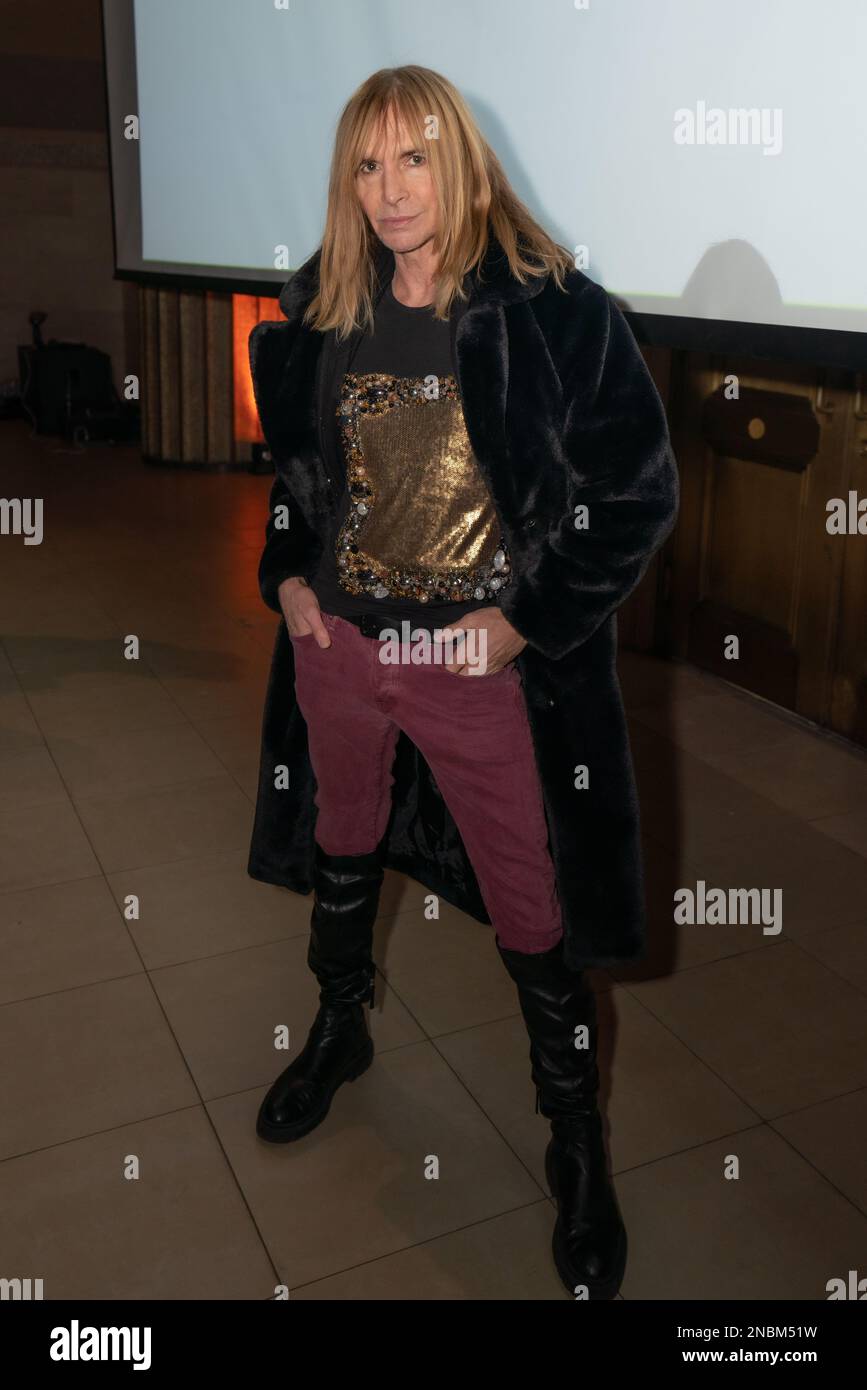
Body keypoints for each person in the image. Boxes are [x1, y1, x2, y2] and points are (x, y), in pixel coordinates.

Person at [246, 64, 679, 1300]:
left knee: (536, 911)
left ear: (459, 160)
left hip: (476, 668)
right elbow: (299, 483)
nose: (389, 191)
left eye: (413, 159)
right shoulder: (326, 311)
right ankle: (340, 1028)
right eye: (367, 166)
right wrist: (289, 578)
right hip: (341, 652)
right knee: (340, 847)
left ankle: (576, 1145)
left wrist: (519, 625)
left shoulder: (552, 311)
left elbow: (634, 495)